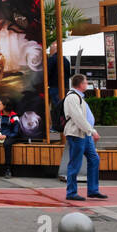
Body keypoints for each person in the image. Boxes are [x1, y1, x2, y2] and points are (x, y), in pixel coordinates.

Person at [63, 73, 107, 201]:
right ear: (81, 84)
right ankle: (71, 192)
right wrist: (91, 131)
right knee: (75, 163)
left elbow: (82, 117)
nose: (87, 84)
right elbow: (78, 118)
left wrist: (90, 131)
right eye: (86, 82)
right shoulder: (72, 98)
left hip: (83, 133)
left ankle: (93, 190)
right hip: (77, 133)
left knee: (94, 159)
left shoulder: (78, 97)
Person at [47, 43, 73, 182]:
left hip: (53, 87)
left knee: (54, 109)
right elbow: (69, 74)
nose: (50, 51)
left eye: (51, 49)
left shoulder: (52, 60)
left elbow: (47, 73)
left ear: (53, 50)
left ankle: (55, 126)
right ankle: (62, 126)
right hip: (64, 87)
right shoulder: (66, 60)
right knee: (62, 108)